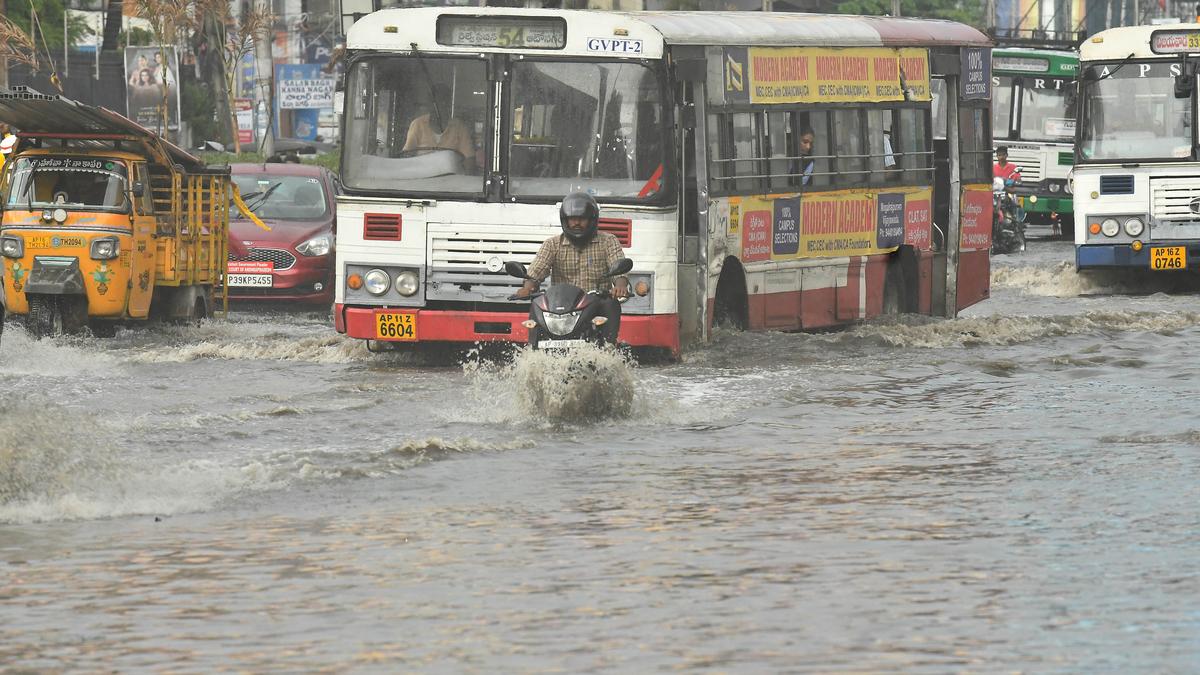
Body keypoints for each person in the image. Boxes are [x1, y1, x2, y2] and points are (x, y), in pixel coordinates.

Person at [515, 192, 631, 344]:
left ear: (592, 220)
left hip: (595, 303)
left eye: (582, 219)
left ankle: (608, 351)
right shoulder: (552, 244)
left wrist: (620, 286)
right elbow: (536, 270)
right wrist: (528, 287)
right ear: (565, 220)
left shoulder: (608, 241)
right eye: (572, 219)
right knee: (537, 302)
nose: (576, 223)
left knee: (610, 304)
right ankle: (533, 351)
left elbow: (618, 265)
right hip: (559, 307)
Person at [403, 85, 475, 171]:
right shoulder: (417, 124)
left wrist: (463, 179)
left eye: (442, 101)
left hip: (451, 180)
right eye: (434, 102)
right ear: (429, 104)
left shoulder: (460, 128)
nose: (438, 106)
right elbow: (407, 155)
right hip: (420, 178)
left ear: (448, 104)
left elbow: (469, 159)